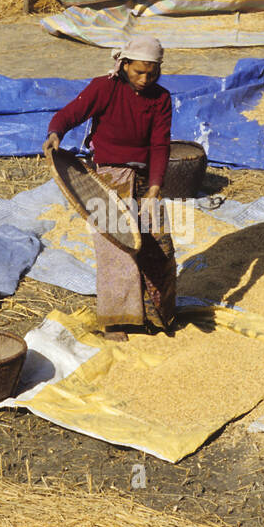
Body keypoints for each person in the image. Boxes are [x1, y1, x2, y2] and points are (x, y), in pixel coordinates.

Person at [43, 36, 176, 342]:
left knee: (157, 246)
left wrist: (155, 187)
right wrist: (55, 132)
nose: (145, 79)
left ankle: (154, 316)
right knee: (116, 250)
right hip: (109, 179)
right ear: (124, 64)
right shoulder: (105, 88)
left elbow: (160, 144)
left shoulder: (161, 99)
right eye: (138, 72)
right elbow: (71, 113)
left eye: (152, 73)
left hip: (144, 179)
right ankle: (115, 320)